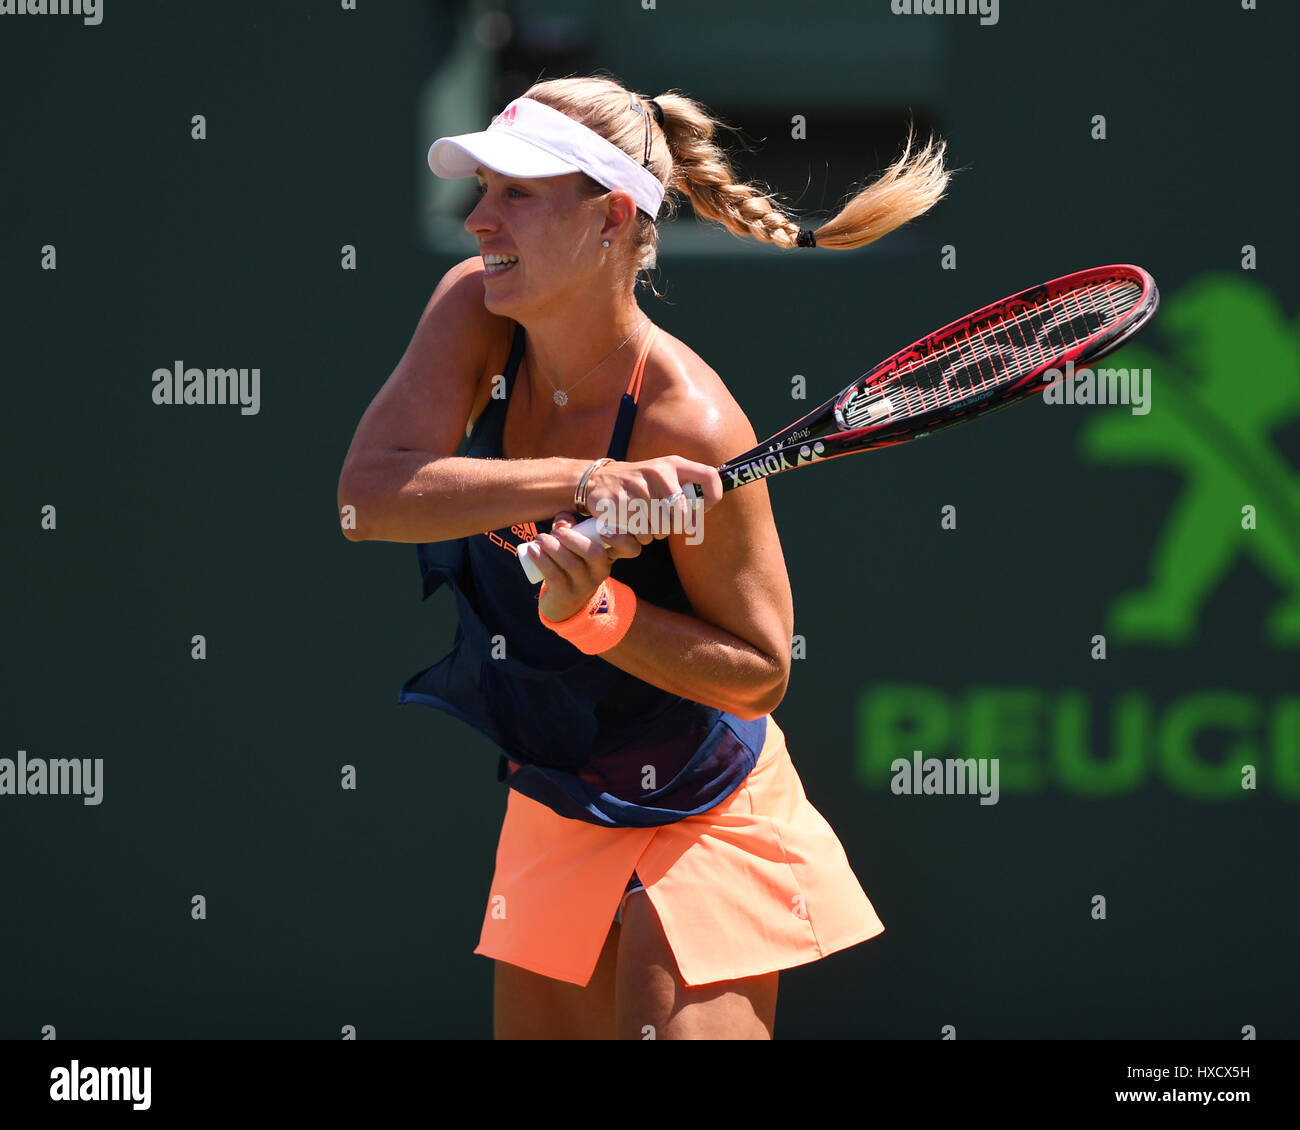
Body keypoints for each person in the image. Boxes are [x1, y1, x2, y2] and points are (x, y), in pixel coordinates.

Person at [338, 75, 950, 1039]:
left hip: (706, 808)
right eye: (483, 189)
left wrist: (600, 614)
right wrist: (583, 481)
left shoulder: (690, 421)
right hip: (557, 796)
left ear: (612, 216)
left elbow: (760, 671)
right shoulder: (474, 308)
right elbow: (368, 500)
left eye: (517, 194)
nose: (478, 221)